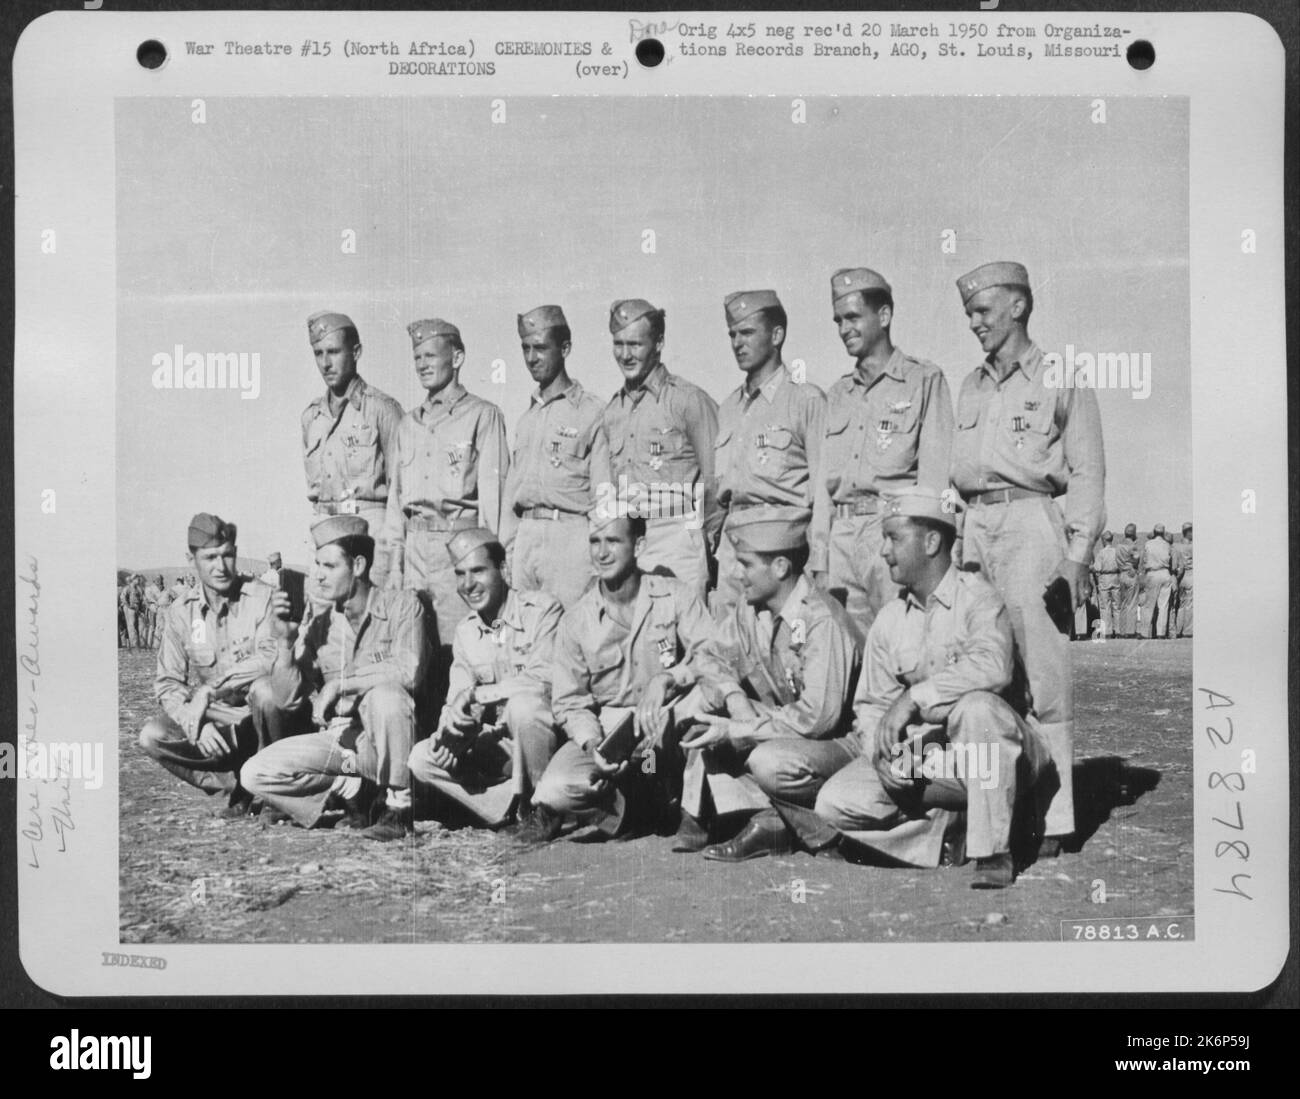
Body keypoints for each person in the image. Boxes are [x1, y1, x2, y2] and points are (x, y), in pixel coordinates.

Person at [718, 488, 1051, 888]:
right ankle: (949, 829)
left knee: (977, 708)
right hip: (931, 759)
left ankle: (993, 852)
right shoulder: (891, 619)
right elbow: (872, 705)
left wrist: (914, 698)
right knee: (833, 805)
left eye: (894, 538)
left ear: (931, 542)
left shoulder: (979, 599)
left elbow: (993, 667)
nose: (885, 552)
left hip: (994, 754)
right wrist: (884, 755)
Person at [948, 261, 1105, 856]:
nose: (973, 323)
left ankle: (1056, 818)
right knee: (989, 670)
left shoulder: (1062, 376)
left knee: (1044, 674)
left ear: (1018, 306)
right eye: (968, 313)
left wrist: (1077, 557)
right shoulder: (970, 385)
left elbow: (1088, 472)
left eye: (982, 310)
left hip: (1033, 525)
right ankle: (999, 813)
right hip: (975, 529)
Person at [665, 506, 862, 859]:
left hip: (840, 746)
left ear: (781, 567)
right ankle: (729, 816)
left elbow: (817, 720)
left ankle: (811, 831)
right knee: (698, 703)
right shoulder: (751, 609)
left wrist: (740, 730)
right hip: (789, 732)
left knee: (767, 760)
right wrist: (734, 697)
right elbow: (708, 657)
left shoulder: (820, 621)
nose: (737, 574)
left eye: (746, 564)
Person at [518, 507, 714, 844]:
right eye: (595, 541)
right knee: (554, 790)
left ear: (638, 546)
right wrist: (594, 745)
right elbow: (570, 702)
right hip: (611, 732)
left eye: (613, 540)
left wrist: (668, 678)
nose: (602, 552)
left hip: (665, 723)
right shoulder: (576, 619)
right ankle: (640, 803)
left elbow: (714, 655)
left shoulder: (675, 595)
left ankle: (690, 810)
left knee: (701, 700)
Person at [240, 516, 430, 841]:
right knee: (255, 773)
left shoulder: (402, 606)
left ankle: (399, 808)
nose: (318, 574)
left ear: (357, 566)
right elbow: (286, 699)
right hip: (343, 745)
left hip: (390, 742)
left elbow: (409, 670)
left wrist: (343, 684)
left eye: (328, 566)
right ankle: (351, 791)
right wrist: (285, 644)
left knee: (385, 697)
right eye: (316, 565)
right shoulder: (320, 626)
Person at [814, 268, 954, 640]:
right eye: (838, 321)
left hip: (893, 535)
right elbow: (822, 488)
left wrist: (925, 553)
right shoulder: (838, 394)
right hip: (841, 541)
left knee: (903, 648)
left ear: (885, 316)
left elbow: (935, 481)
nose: (844, 328)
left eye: (853, 317)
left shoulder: (923, 380)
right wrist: (819, 556)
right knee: (846, 658)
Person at [137, 514, 292, 817]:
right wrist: (196, 725)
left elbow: (270, 660)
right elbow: (168, 682)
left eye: (227, 555)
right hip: (220, 722)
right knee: (151, 736)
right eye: (209, 558)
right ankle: (237, 785)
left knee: (266, 692)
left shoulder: (262, 598)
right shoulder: (182, 613)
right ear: (190, 559)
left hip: (263, 719)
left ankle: (273, 786)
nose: (220, 567)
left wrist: (209, 690)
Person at [407, 529, 563, 828]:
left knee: (524, 707)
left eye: (478, 571)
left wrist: (482, 695)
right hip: (499, 747)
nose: (468, 585)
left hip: (543, 739)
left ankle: (545, 806)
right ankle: (507, 808)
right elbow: (457, 699)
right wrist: (452, 732)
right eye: (460, 574)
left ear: (503, 569)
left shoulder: (543, 611)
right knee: (421, 758)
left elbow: (545, 680)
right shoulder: (466, 632)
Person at [383, 318, 509, 656]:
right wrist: (394, 567)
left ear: (456, 359)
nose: (422, 365)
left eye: (430, 356)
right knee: (412, 653)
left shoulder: (482, 416)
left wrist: (491, 571)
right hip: (414, 558)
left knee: (460, 652)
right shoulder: (408, 425)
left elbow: (494, 506)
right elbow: (396, 508)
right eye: (417, 358)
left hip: (458, 552)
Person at [596, 299, 722, 600]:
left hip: (679, 538)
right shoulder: (613, 411)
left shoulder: (687, 401)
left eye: (636, 344)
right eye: (618, 344)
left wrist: (704, 540)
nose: (625, 355)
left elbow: (717, 480)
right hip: (630, 543)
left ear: (659, 343)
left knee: (683, 638)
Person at [712, 291, 826, 619]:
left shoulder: (805, 400)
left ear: (777, 335)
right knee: (728, 646)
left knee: (785, 646)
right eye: (732, 334)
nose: (737, 343)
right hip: (732, 552)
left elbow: (822, 491)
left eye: (747, 333)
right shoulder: (729, 408)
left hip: (781, 550)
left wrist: (820, 558)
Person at [498, 305, 607, 608]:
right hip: (526, 539)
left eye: (541, 348)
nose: (532, 358)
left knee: (569, 634)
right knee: (526, 635)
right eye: (526, 348)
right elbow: (512, 497)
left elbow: (603, 497)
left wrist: (600, 555)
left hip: (571, 539)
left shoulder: (592, 412)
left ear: (565, 348)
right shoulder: (526, 418)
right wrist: (507, 550)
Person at [300, 311, 403, 584]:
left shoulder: (382, 409)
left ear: (356, 352)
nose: (325, 363)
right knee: (322, 621)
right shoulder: (311, 417)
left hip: (370, 534)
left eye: (333, 352)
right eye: (318, 353)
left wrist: (395, 559)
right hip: (324, 533)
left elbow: (401, 490)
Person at [1138, 523, 1174, 639]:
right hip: (1165, 573)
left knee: (1149, 605)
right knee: (1163, 605)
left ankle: (1144, 632)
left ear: (1154, 532)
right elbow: (1172, 564)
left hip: (1152, 573)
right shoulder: (1167, 545)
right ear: (1163, 533)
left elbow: (1142, 561)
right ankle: (1161, 633)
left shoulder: (1148, 544)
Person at [1091, 532, 1122, 638]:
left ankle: (1107, 631)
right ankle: (1118, 631)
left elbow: (1097, 568)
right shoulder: (1116, 552)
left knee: (1105, 606)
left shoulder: (1101, 553)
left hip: (1105, 578)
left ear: (1103, 540)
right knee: (1117, 606)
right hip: (1115, 578)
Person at [1114, 523, 1141, 637]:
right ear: (1133, 533)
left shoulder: (1118, 546)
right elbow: (1137, 558)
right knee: (1132, 603)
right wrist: (1134, 567)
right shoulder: (1132, 546)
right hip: (1130, 575)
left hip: (1121, 575)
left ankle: (1122, 630)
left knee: (1123, 604)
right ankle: (1130, 631)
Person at [1173, 522, 1193, 638]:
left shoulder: (1176, 546)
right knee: (1190, 605)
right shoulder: (1193, 546)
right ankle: (1188, 630)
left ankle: (1178, 629)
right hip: (1190, 574)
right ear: (1189, 532)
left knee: (1180, 604)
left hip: (1180, 578)